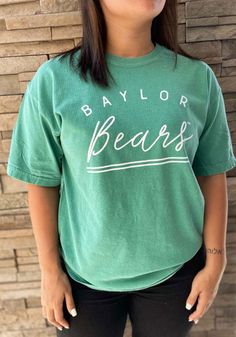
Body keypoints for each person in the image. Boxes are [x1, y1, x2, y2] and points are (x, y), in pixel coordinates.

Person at [6, 0, 236, 336]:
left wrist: (216, 262)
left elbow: (211, 173)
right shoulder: (55, 81)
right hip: (83, 279)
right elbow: (41, 180)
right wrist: (49, 270)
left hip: (176, 274)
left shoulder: (196, 79)